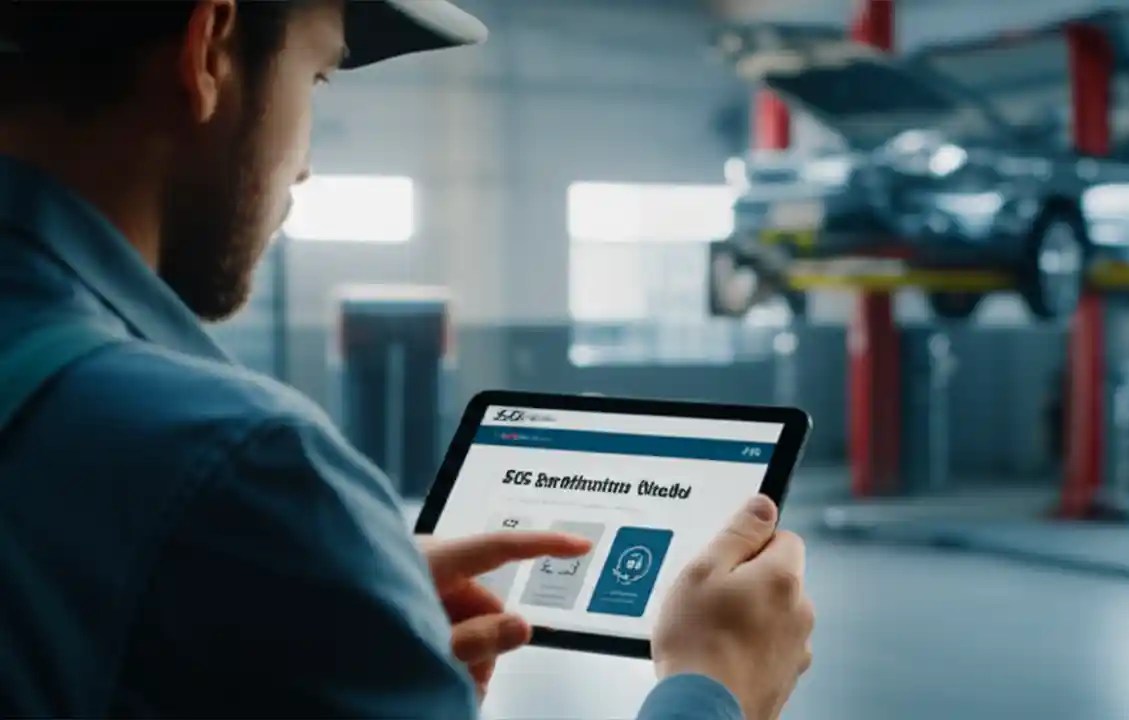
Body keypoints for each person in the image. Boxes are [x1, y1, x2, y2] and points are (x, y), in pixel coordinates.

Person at [0, 1, 815, 718]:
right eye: (318, 78)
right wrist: (714, 689)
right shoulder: (235, 466)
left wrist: (333, 609)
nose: (308, 161)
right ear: (210, 47)